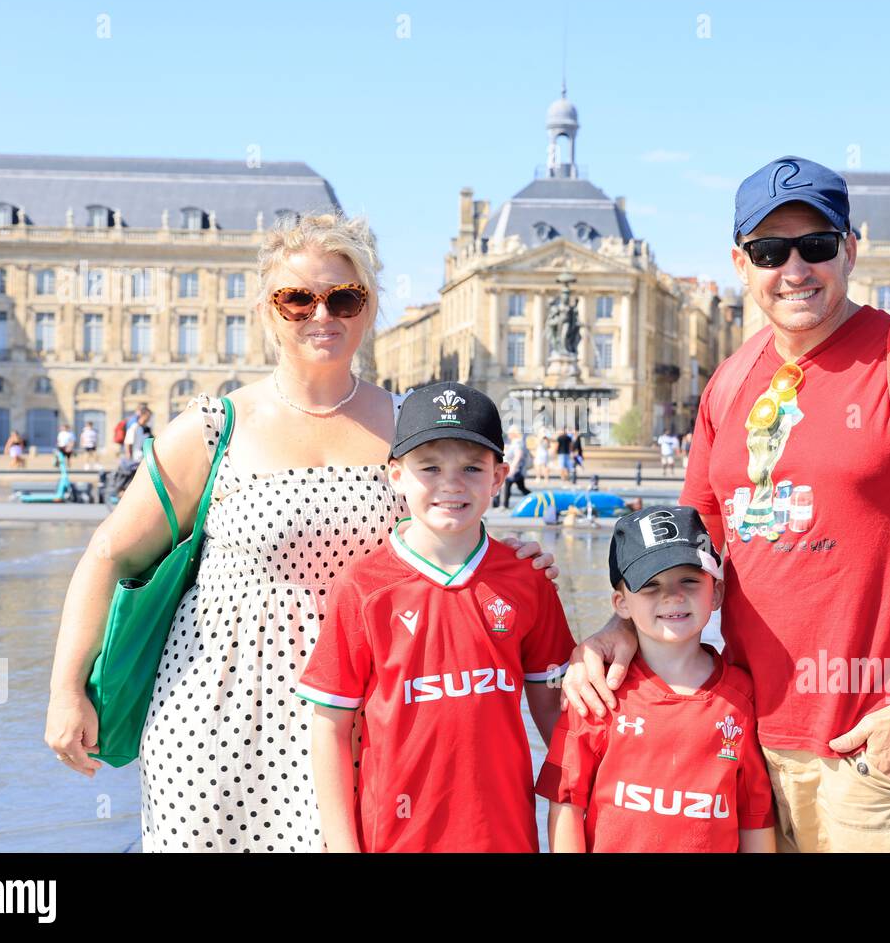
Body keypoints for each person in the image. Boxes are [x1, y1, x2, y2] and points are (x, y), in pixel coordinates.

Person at [561, 156, 890, 853]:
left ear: (850, 248)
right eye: (768, 250)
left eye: (816, 245)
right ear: (740, 263)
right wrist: (618, 629)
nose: (795, 268)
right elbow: (691, 548)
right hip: (745, 750)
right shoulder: (728, 387)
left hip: (872, 759)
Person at [44, 212, 561, 853]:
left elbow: (451, 530)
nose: (324, 315)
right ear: (268, 311)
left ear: (369, 309)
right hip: (217, 714)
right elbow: (108, 554)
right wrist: (67, 690)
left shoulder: (409, 425)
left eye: (345, 297)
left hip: (369, 718)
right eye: (298, 299)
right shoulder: (215, 427)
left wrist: (515, 559)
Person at [297, 382, 574, 852]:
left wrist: (590, 794)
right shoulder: (364, 587)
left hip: (503, 834)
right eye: (430, 467)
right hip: (398, 836)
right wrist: (341, 846)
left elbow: (555, 711)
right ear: (397, 475)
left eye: (471, 467)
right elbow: (329, 728)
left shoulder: (527, 580)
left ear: (499, 476)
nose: (451, 483)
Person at [538, 505, 775, 853]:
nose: (672, 595)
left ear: (718, 593)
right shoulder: (599, 691)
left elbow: (755, 816)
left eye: (690, 580)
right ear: (621, 603)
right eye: (650, 585)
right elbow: (566, 802)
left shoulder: (742, 696)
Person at [495, 426, 531, 509]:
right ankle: (533, 497)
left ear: (514, 434)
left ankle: (503, 505)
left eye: (510, 433)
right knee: (521, 487)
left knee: (506, 485)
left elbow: (518, 456)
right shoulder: (514, 442)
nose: (509, 435)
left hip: (514, 469)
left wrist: (513, 468)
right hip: (515, 469)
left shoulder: (518, 443)